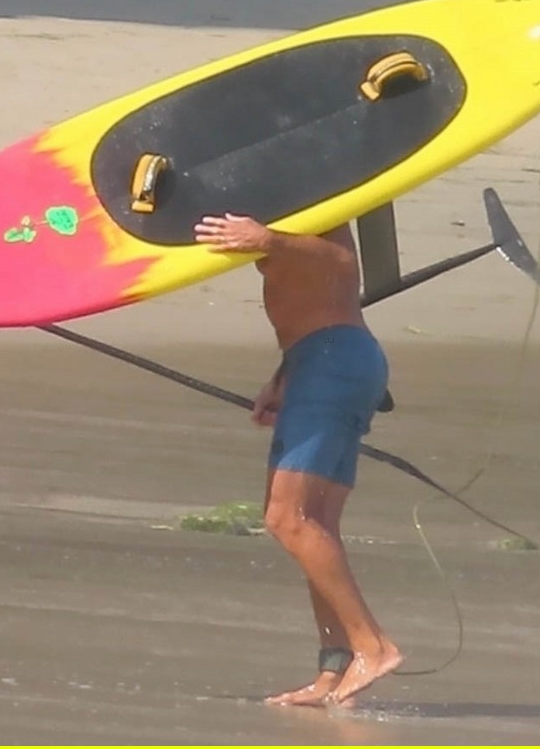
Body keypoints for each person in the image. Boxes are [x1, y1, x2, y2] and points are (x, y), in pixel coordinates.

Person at [194, 212, 403, 708]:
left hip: (333, 360)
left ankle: (374, 646)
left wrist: (268, 240)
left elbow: (340, 262)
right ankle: (334, 668)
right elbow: (308, 296)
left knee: (287, 518)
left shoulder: (310, 187)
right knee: (316, 523)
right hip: (320, 360)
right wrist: (285, 375)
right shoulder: (278, 200)